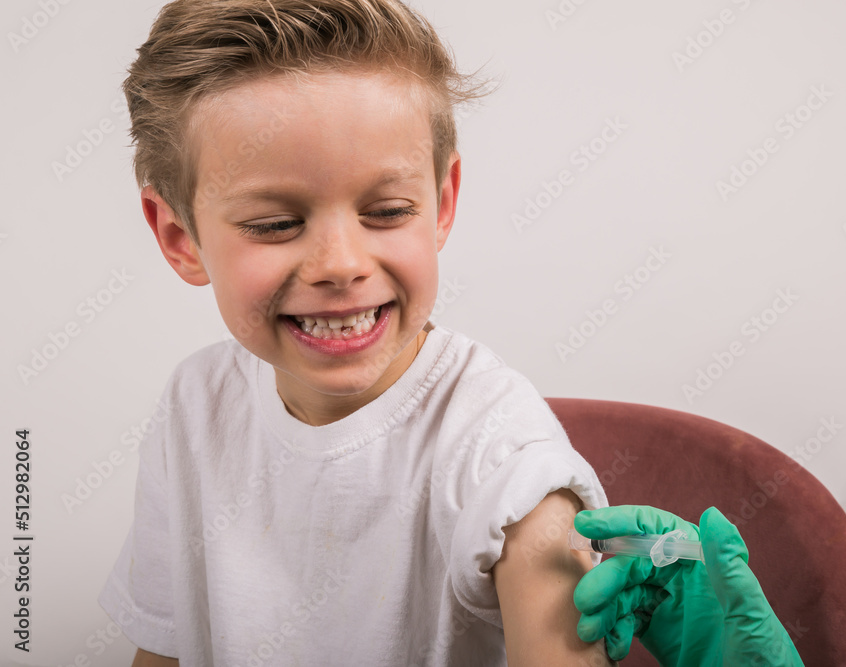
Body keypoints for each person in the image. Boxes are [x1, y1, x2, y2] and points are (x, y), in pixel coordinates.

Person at [100, 1, 804, 664]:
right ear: (178, 236)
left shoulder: (505, 464)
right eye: (275, 224)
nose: (342, 264)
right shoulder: (194, 406)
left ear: (441, 205)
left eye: (386, 210)